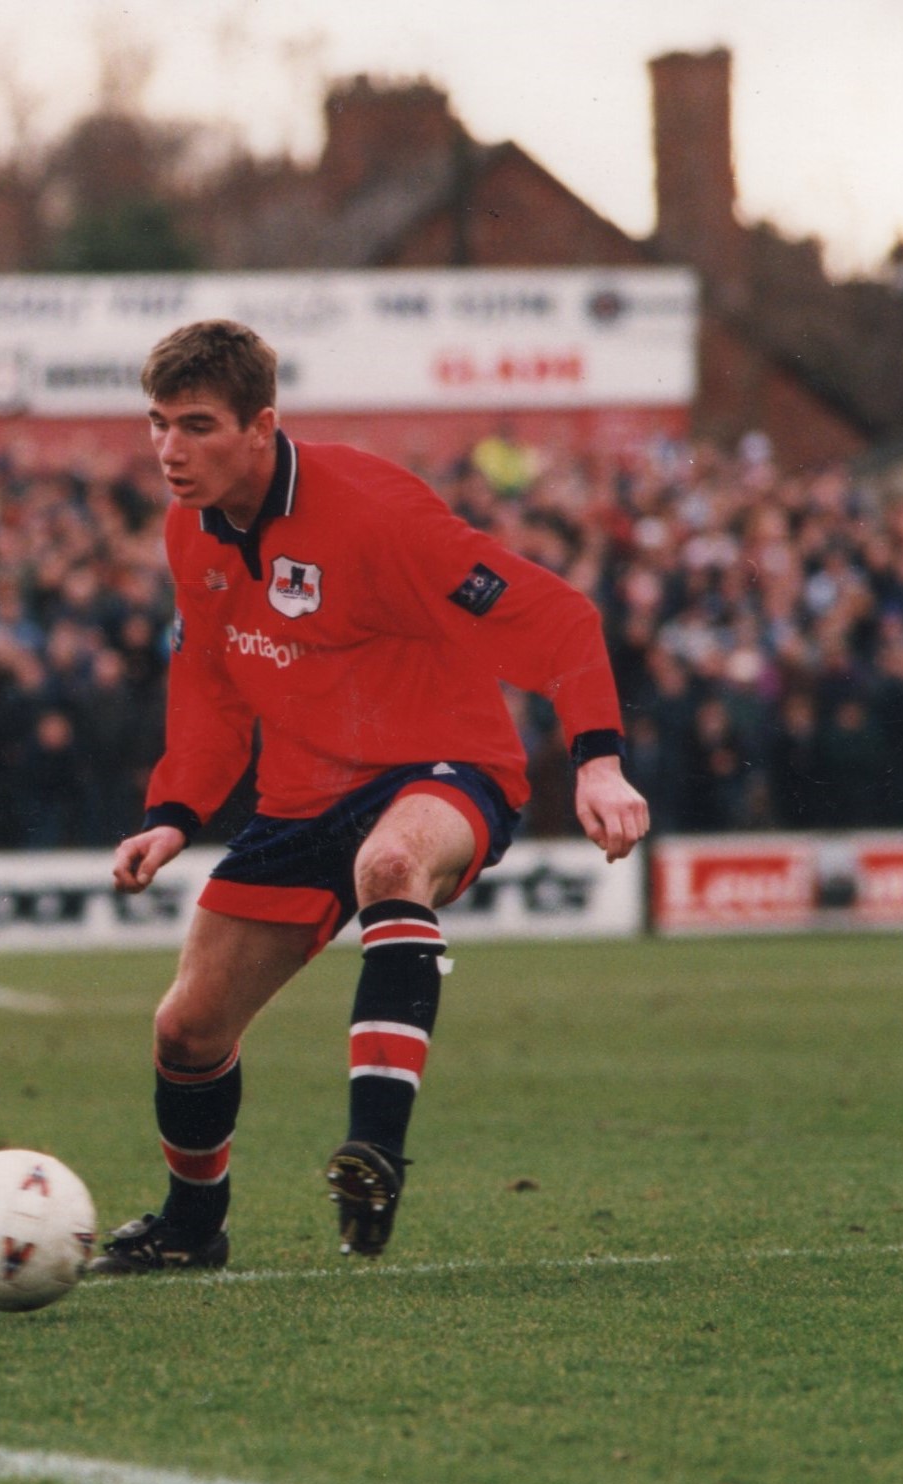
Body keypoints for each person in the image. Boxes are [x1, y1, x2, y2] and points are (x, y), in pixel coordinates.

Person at [88, 320, 647, 1273]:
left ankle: (374, 1154)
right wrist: (173, 811)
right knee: (185, 1028)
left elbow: (554, 614)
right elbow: (212, 689)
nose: (167, 451)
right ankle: (191, 1227)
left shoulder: (374, 512)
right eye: (156, 424)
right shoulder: (190, 531)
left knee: (390, 865)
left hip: (443, 761)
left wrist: (596, 759)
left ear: (260, 427)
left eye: (195, 426)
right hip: (303, 792)